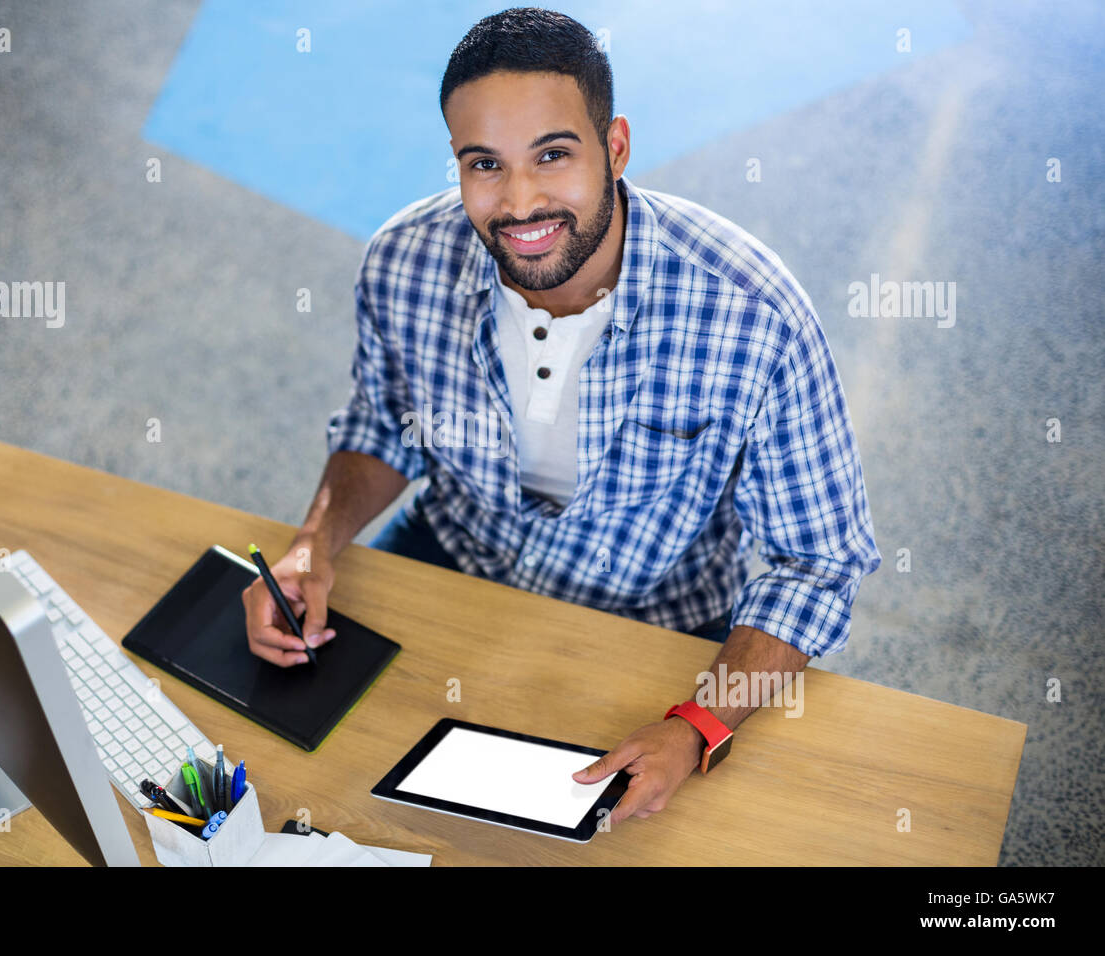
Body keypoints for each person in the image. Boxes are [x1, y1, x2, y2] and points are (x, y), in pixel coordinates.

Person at [242, 7, 880, 825]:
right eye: (485, 164)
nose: (520, 202)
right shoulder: (402, 261)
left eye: (553, 154)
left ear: (615, 148)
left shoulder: (754, 316)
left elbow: (818, 564)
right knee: (310, 795)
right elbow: (383, 425)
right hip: (453, 564)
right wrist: (312, 546)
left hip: (652, 620)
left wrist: (698, 726)